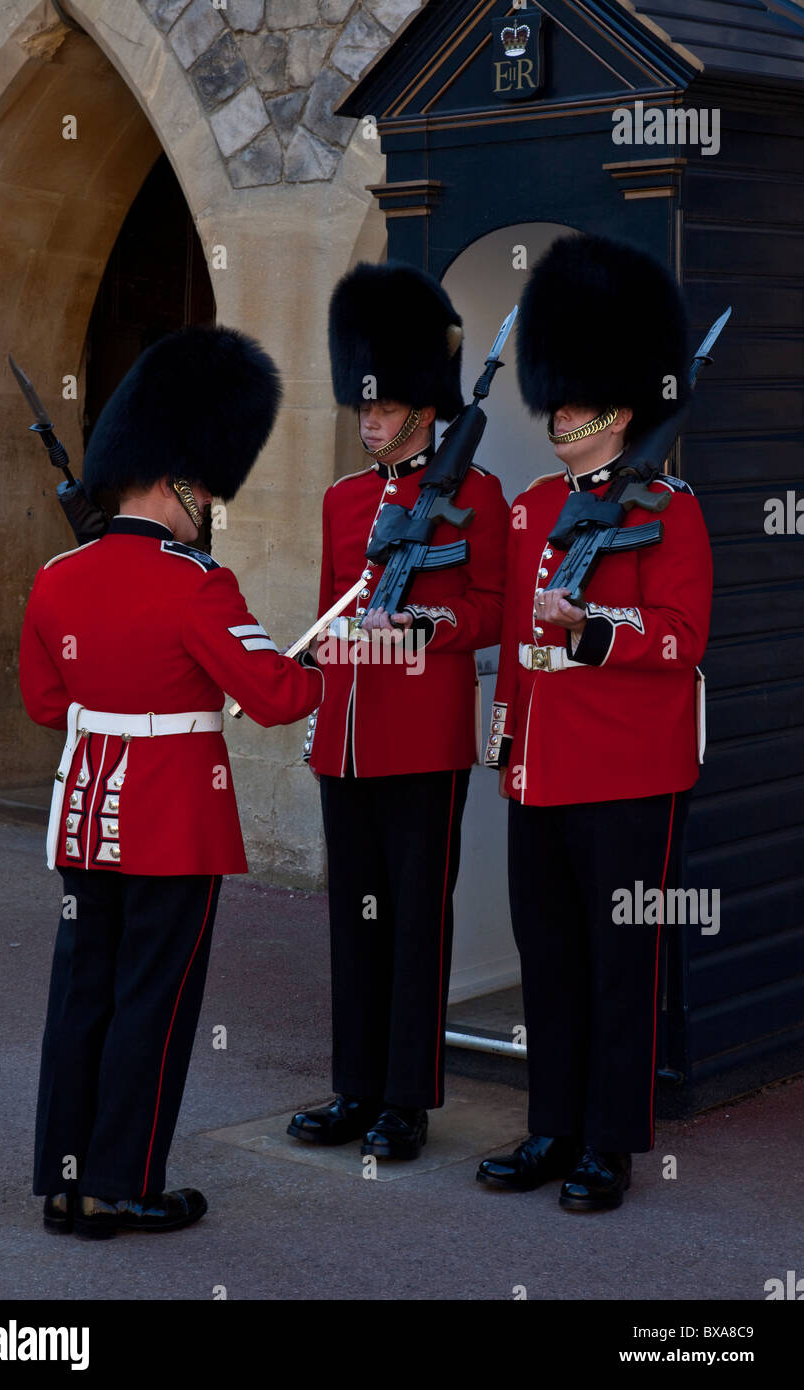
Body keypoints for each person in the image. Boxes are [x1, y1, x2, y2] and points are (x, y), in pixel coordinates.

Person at [19, 326, 322, 1238]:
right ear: (174, 480)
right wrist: (327, 666)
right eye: (203, 491)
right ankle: (127, 1184)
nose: (209, 507)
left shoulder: (57, 577)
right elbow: (274, 696)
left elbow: (46, 702)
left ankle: (67, 1185)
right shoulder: (198, 583)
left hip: (85, 816)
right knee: (153, 1002)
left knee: (83, 997)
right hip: (171, 821)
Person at [477, 233, 713, 1210]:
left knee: (622, 964)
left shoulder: (668, 508)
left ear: (620, 409)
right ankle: (551, 1125)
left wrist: (590, 633)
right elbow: (508, 638)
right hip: (539, 769)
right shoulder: (533, 508)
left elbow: (679, 637)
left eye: (574, 400)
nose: (558, 411)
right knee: (550, 956)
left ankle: (607, 1144)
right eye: (556, 395)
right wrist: (504, 741)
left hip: (626, 774)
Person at [287, 261, 509, 1159]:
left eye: (381, 410)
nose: (369, 422)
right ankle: (356, 1086)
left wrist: (428, 624)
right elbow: (334, 611)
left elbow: (494, 608)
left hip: (422, 740)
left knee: (417, 919)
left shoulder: (477, 496)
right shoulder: (345, 500)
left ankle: (406, 1099)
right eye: (363, 410)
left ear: (423, 406)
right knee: (358, 917)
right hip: (346, 739)